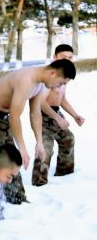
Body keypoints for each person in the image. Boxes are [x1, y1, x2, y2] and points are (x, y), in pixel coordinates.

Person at [0, 59, 76, 219]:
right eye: (60, 82)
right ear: (53, 73)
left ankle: (16, 199)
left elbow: (35, 114)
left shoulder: (40, 83)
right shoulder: (27, 79)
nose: (58, 87)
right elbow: (15, 116)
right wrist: (22, 148)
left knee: (11, 161)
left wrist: (39, 143)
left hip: (2, 118)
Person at [32, 45, 85, 187]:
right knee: (45, 148)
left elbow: (61, 98)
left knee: (68, 139)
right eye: (63, 57)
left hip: (56, 112)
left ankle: (64, 173)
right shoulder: (50, 74)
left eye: (70, 57)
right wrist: (57, 117)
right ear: (55, 57)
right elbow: (41, 102)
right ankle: (39, 181)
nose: (67, 60)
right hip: (43, 114)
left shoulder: (64, 74)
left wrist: (75, 115)